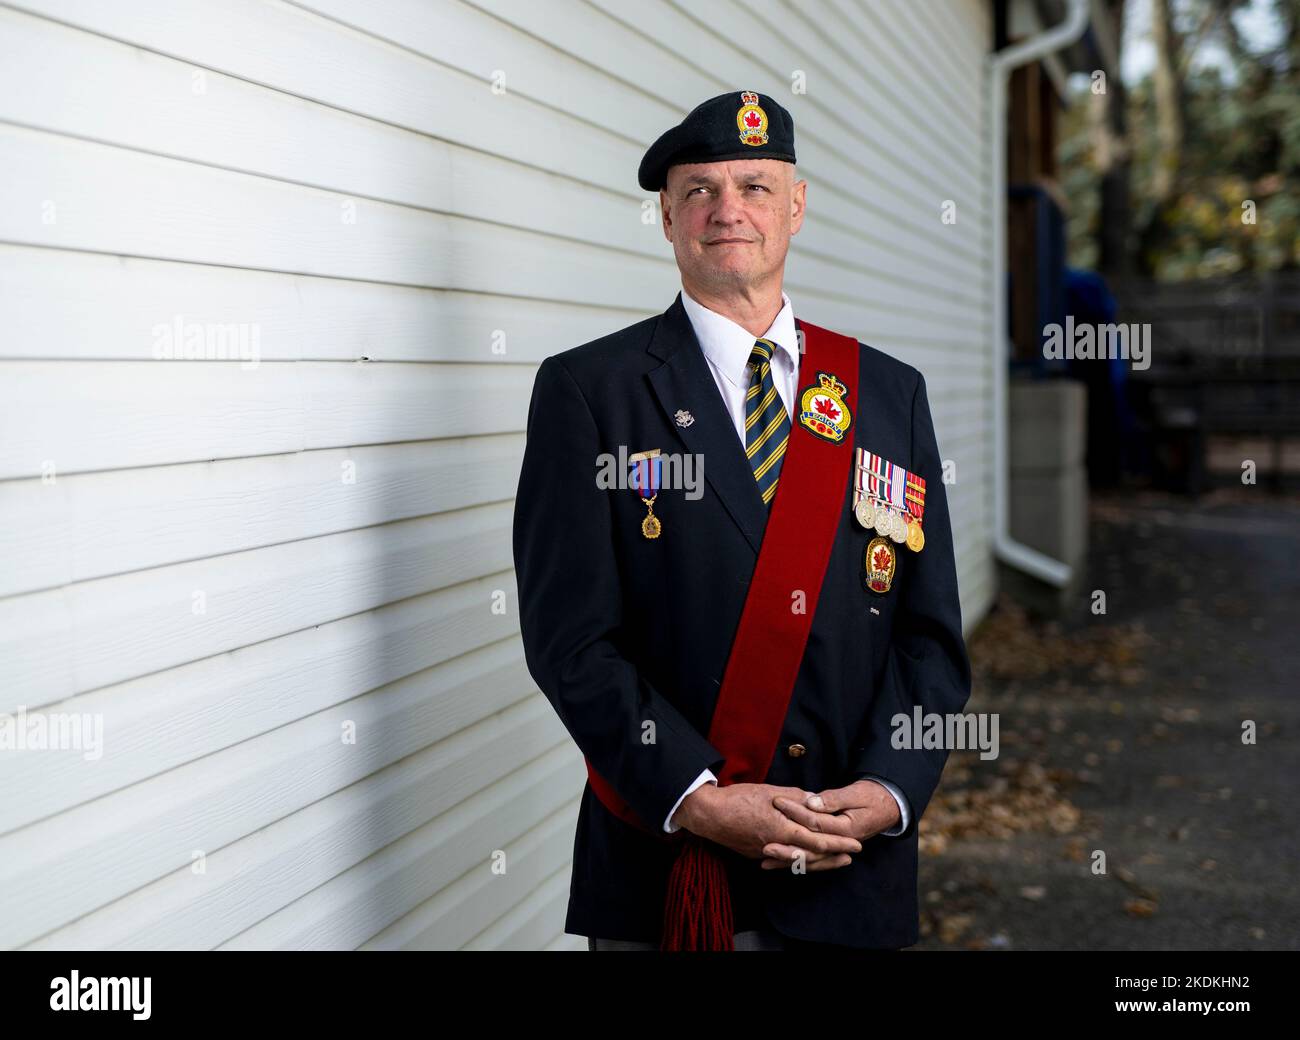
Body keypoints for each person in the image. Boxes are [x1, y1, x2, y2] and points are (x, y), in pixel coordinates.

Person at [512, 91, 972, 951]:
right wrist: (697, 796)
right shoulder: (590, 391)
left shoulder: (888, 391)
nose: (728, 210)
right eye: (699, 190)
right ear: (667, 217)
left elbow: (929, 636)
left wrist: (892, 789)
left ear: (796, 206)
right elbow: (570, 642)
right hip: (673, 864)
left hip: (847, 860)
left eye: (756, 186)